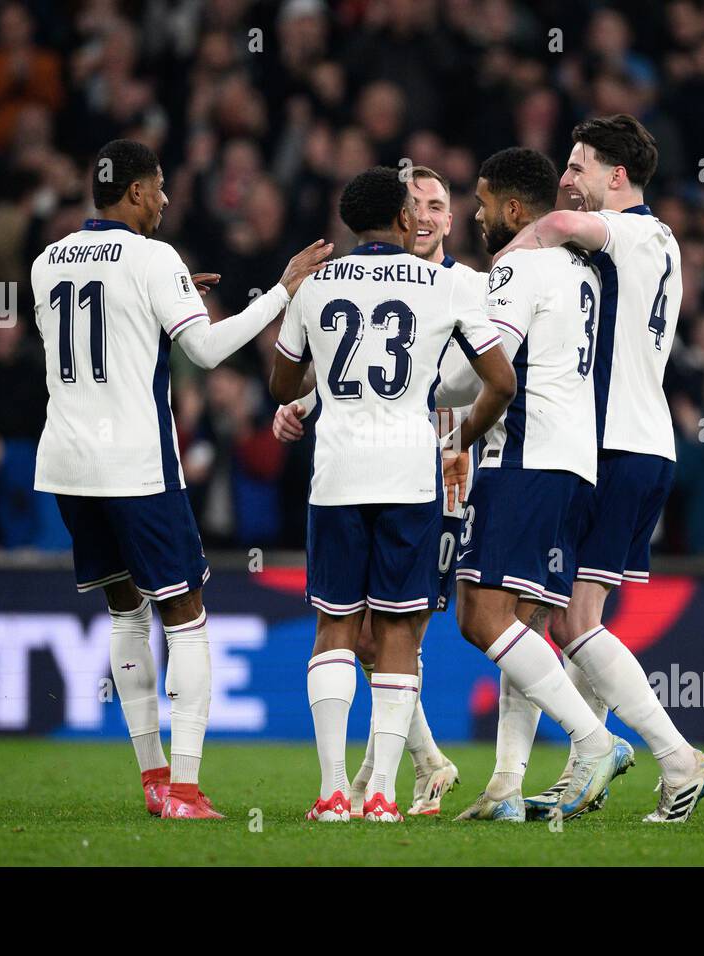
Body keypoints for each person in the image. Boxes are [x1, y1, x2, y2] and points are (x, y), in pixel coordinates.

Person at [32, 138, 331, 820]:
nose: (166, 200)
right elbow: (206, 348)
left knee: (123, 610)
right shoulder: (153, 257)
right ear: (135, 192)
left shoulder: (47, 261)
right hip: (136, 465)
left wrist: (162, 301)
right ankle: (187, 792)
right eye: (159, 188)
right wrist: (281, 292)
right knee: (186, 616)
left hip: (70, 465)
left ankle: (152, 779)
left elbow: (96, 331)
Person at [269, 166, 515, 823]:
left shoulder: (314, 284)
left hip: (338, 475)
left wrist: (292, 307)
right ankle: (379, 794)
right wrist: (461, 438)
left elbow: (280, 382)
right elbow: (501, 382)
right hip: (411, 475)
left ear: (348, 222)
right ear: (404, 220)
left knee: (336, 629)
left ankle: (330, 792)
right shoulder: (447, 284)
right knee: (401, 633)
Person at [497, 114, 704, 823]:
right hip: (638, 444)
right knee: (573, 615)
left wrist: (508, 258)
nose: (568, 177)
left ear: (616, 177)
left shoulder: (635, 231)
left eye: (579, 164)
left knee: (568, 619)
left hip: (617, 448)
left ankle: (678, 758)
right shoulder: (654, 246)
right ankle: (581, 771)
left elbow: (563, 225)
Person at [435, 146, 632, 823]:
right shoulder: (582, 273)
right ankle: (506, 787)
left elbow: (493, 369)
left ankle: (593, 739)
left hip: (524, 458)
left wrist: (432, 402)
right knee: (519, 626)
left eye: (484, 203)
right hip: (576, 465)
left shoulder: (515, 266)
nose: (477, 215)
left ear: (514, 208)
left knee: (478, 615)